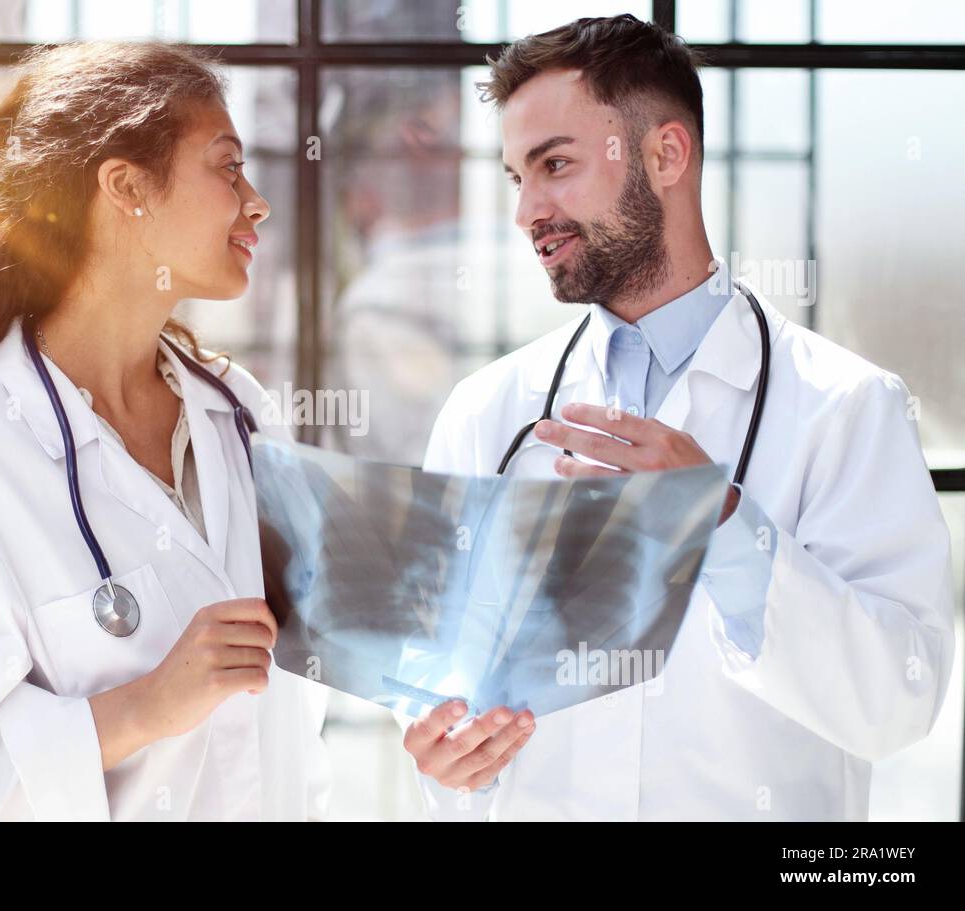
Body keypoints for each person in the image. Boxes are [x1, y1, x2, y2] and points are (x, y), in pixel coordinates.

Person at [402, 14, 954, 820]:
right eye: (518, 176)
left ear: (666, 155)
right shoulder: (489, 412)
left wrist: (722, 522)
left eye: (555, 164)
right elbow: (429, 684)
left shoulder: (846, 406)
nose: (527, 211)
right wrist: (447, 754)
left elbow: (899, 700)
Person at [0, 41, 329, 821]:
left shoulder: (241, 413)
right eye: (227, 167)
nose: (256, 200)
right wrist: (140, 709)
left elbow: (296, 694)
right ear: (127, 186)